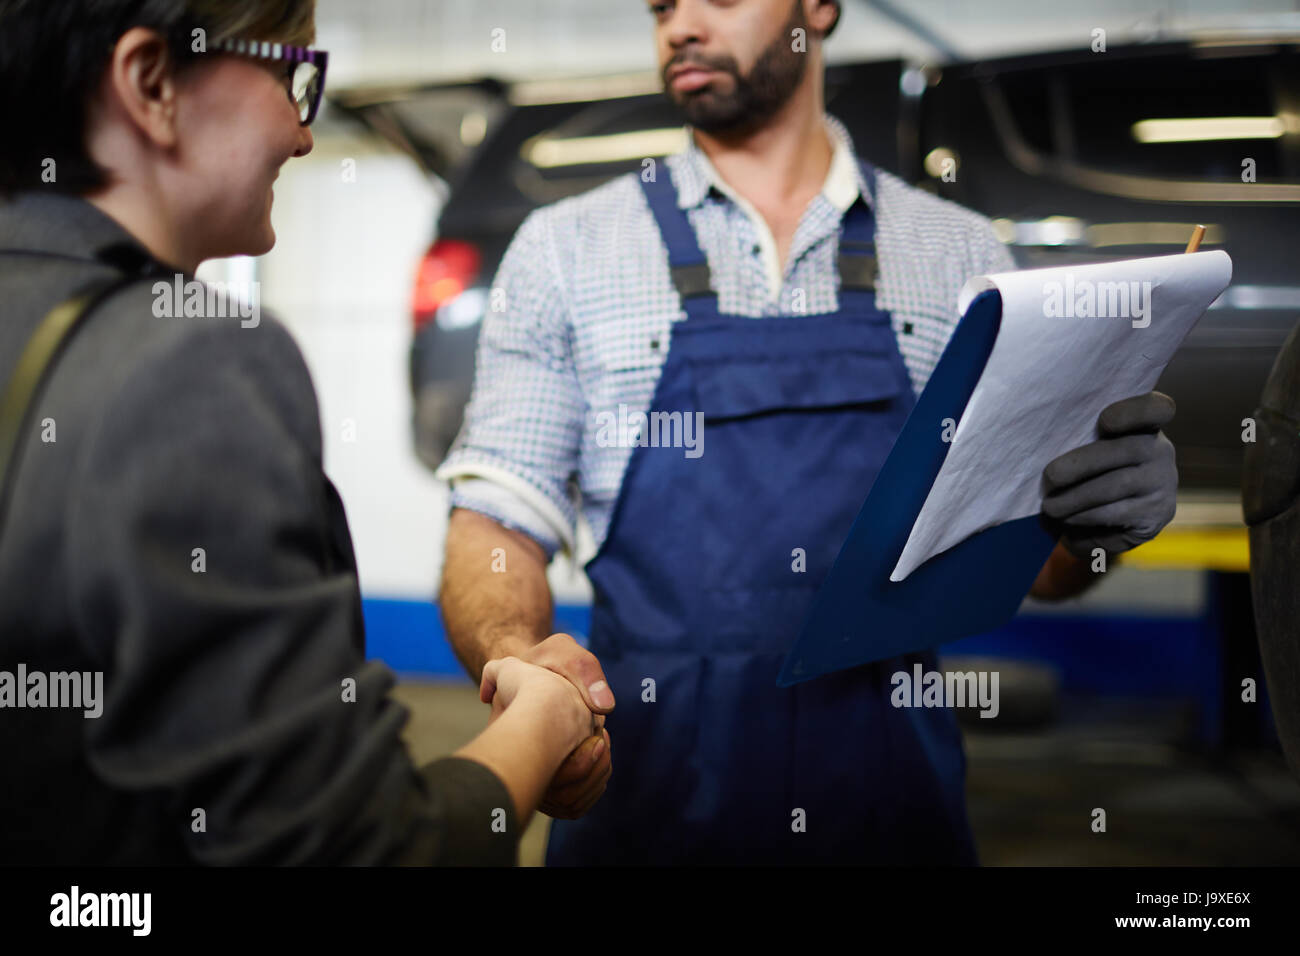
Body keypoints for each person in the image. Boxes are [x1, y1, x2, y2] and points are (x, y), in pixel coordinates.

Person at [437, 0, 1180, 864]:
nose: (679, 25)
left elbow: (1035, 569)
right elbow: (495, 525)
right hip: (643, 803)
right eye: (660, 6)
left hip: (891, 809)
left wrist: (1097, 522)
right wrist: (518, 661)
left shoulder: (957, 257)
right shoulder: (566, 252)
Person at [0, 0, 593, 865]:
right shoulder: (188, 362)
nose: (302, 133)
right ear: (152, 82)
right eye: (290, 75)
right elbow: (361, 853)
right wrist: (544, 725)